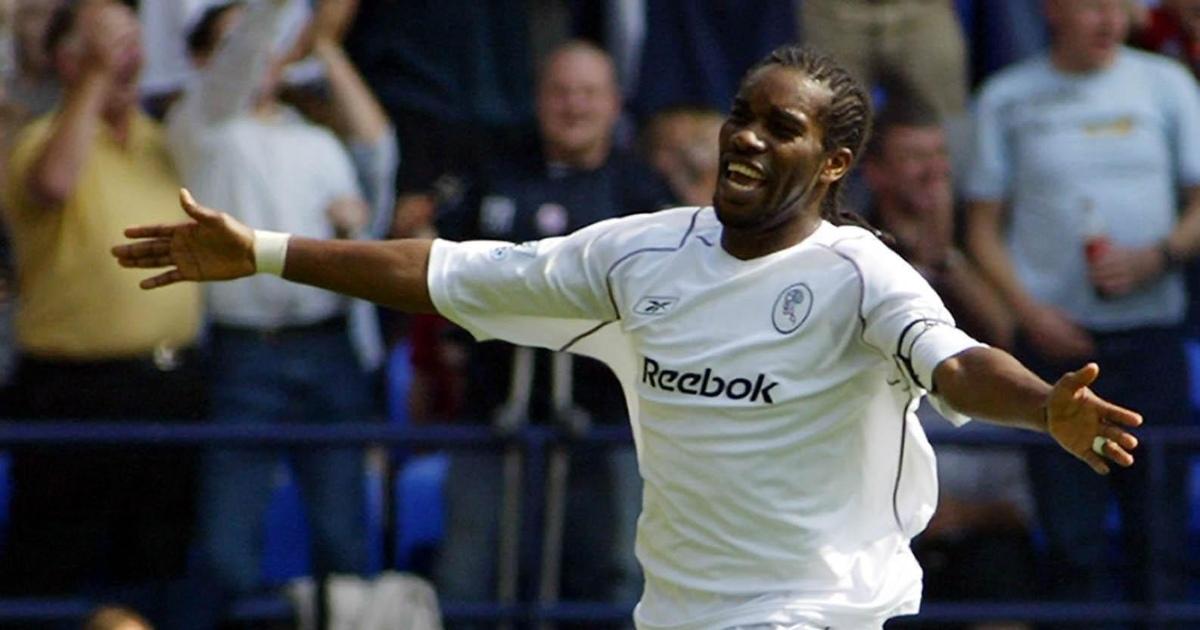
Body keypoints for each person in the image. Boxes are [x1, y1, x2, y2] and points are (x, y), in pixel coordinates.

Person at [114, 45, 1142, 629]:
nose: (746, 135)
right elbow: (439, 271)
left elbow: (958, 364)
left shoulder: (860, 275)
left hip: (820, 616)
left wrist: (1040, 404)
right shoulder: (640, 257)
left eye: (781, 129)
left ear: (833, 164)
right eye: (744, 114)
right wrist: (263, 251)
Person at [964, 0, 1200, 610]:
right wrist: (1027, 312)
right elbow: (983, 227)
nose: (1106, 20)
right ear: (1051, 11)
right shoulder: (1007, 96)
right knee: (1073, 544)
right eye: (1091, 6)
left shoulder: (1167, 84)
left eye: (1117, 7)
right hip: (1054, 352)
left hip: (1150, 339)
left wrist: (1161, 254)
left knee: (1163, 535)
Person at [429, 40, 675, 613]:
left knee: (615, 580)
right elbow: (435, 266)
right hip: (494, 415)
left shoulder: (641, 193)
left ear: (614, 104)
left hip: (609, 425)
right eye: (561, 92)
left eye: (588, 93)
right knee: (468, 580)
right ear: (539, 101)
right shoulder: (492, 173)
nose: (574, 106)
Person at [164, 0, 390, 622]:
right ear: (202, 61)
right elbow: (236, 69)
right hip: (243, 352)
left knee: (345, 539)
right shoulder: (201, 124)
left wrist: (355, 223)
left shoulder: (315, 138)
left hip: (328, 343)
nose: (256, 57)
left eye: (261, 46)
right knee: (227, 548)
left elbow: (378, 162)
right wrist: (270, 11)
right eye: (234, 47)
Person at [0, 0, 205, 615]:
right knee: (52, 566)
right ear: (67, 60)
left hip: (172, 385)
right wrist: (92, 78)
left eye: (134, 41)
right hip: (76, 389)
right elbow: (54, 183)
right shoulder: (34, 142)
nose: (129, 55)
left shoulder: (164, 144)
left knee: (158, 566)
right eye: (109, 42)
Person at [863, 101, 1034, 630]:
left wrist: (944, 258)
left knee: (1005, 576)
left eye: (940, 155)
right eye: (915, 157)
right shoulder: (854, 247)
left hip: (974, 501)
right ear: (876, 171)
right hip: (874, 506)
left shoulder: (971, 251)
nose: (933, 170)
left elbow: (1001, 333)